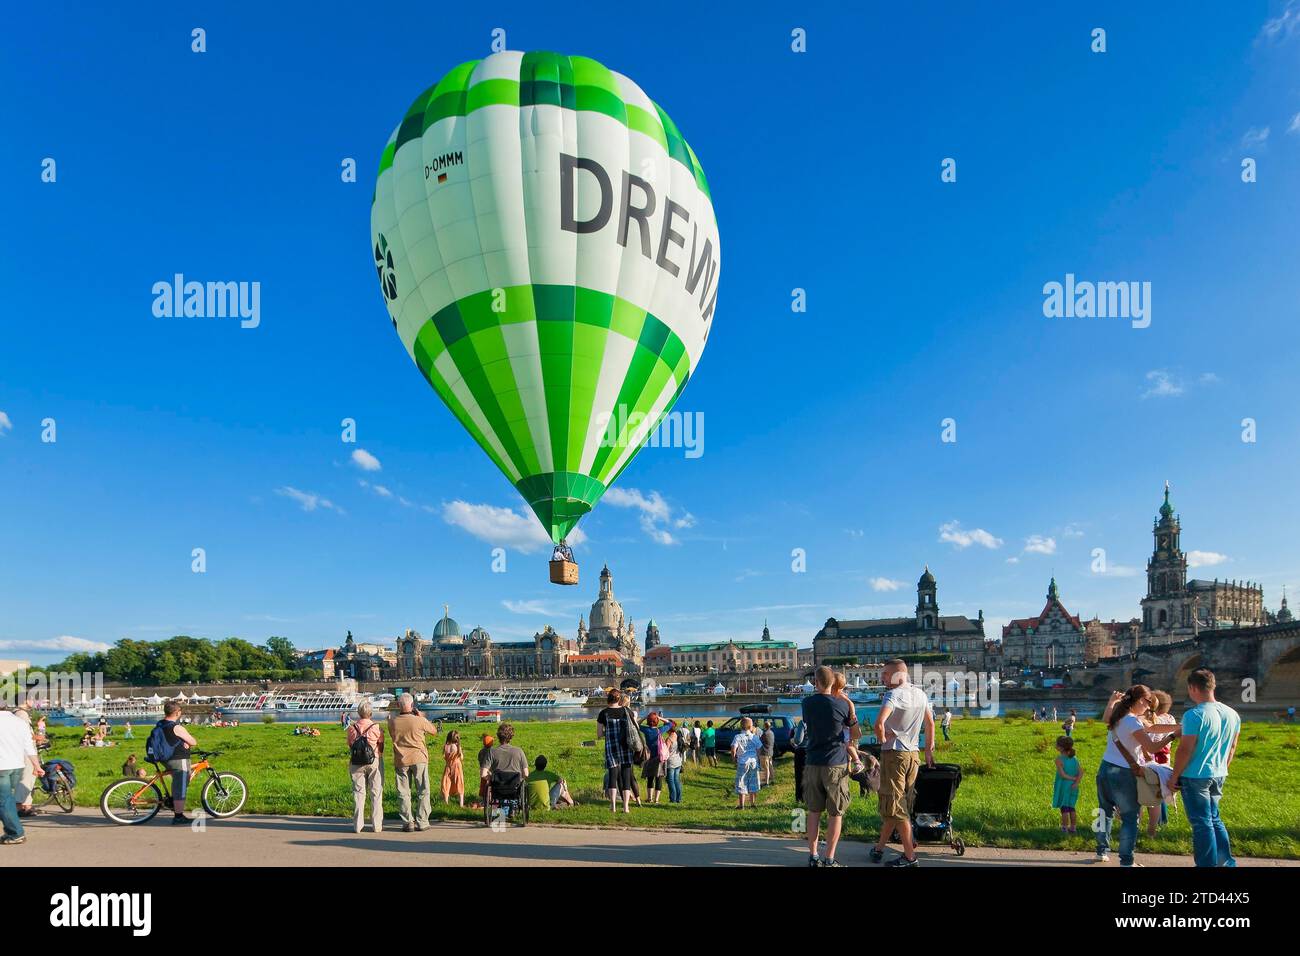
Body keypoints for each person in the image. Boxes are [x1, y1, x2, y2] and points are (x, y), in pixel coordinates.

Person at [1171, 668, 1241, 868]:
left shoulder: (1194, 715)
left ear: (1192, 688)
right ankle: (1225, 862)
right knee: (1214, 819)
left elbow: (1185, 749)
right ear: (1213, 686)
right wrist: (1223, 767)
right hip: (1219, 773)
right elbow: (1233, 747)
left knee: (1202, 823)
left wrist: (1174, 776)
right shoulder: (1233, 714)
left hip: (1195, 775)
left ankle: (1206, 865)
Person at [870, 659, 935, 868]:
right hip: (913, 754)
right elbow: (930, 723)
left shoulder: (893, 695)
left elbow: (879, 723)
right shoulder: (920, 694)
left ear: (898, 675)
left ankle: (909, 857)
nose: (882, 678)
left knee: (896, 806)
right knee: (898, 802)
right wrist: (929, 750)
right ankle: (879, 848)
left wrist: (881, 738)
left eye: (886, 674)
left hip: (895, 755)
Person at [1094, 684, 1157, 866]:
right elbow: (1152, 747)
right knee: (1130, 817)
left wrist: (1112, 701)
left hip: (1105, 768)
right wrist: (1173, 736)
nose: (1149, 706)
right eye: (1148, 701)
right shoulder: (1132, 721)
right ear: (1139, 700)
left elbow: (1106, 719)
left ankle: (1101, 851)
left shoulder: (1118, 716)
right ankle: (1127, 861)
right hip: (1123, 773)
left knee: (1104, 811)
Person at [802, 667, 859, 866]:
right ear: (833, 683)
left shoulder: (806, 703)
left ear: (816, 683)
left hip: (812, 762)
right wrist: (850, 706)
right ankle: (829, 858)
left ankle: (813, 855)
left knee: (813, 812)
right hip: (835, 762)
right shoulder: (843, 706)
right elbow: (855, 735)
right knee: (836, 813)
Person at [386, 693, 439, 832]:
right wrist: (421, 716)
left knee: (403, 792)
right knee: (423, 790)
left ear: (398, 706)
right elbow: (434, 731)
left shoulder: (392, 722)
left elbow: (392, 735)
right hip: (419, 758)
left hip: (401, 760)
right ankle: (422, 821)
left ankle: (408, 821)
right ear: (412, 705)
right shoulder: (419, 720)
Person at [0, 704, 44, 845]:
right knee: (6, 799)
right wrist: (37, 766)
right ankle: (12, 830)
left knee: (4, 800)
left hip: (2, 767)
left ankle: (16, 833)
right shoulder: (19, 722)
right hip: (17, 766)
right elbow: (29, 746)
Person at [153, 701, 199, 825]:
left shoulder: (160, 724)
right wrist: (187, 742)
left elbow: (169, 740)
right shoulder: (177, 727)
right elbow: (193, 741)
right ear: (177, 712)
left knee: (177, 782)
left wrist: (181, 742)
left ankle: (173, 802)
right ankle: (178, 816)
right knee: (181, 786)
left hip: (165, 759)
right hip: (178, 759)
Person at [1142, 690, 1178, 838]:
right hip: (1165, 758)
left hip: (1151, 759)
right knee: (1162, 789)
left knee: (1150, 791)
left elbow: (1149, 739)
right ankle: (1162, 820)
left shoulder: (1151, 720)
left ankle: (1150, 823)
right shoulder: (1171, 718)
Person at [347, 701, 385, 834]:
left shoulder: (352, 728)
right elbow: (381, 746)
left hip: (356, 763)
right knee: (376, 792)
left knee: (358, 793)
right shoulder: (376, 728)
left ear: (358, 712)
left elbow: (350, 745)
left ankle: (357, 825)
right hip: (373, 761)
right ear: (371, 713)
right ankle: (377, 825)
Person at [596, 689, 637, 813]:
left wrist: (608, 732)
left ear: (608, 698)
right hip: (626, 746)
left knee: (613, 777)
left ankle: (613, 806)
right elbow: (634, 728)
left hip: (611, 747)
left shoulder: (603, 713)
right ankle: (626, 807)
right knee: (626, 777)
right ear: (619, 699)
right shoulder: (627, 711)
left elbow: (599, 734)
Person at [482, 723, 528, 809]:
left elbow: (483, 774)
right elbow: (526, 774)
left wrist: (491, 778)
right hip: (514, 788)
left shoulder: (492, 752)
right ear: (511, 737)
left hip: (497, 788)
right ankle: (512, 808)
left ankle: (499, 811)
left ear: (498, 736)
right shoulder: (519, 751)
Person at [11, 699, 37, 818]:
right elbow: (24, 734)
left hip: (23, 750)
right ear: (25, 700)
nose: (34, 701)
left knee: (29, 777)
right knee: (26, 777)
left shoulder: (18, 713)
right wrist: (38, 737)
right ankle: (19, 806)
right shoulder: (21, 714)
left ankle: (27, 805)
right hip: (26, 751)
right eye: (32, 699)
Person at [731, 717, 763, 809]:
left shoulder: (737, 737)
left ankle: (742, 805)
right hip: (753, 761)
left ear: (741, 726)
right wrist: (757, 759)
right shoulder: (755, 737)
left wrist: (734, 760)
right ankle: (753, 804)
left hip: (742, 762)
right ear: (750, 726)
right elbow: (759, 749)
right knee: (753, 782)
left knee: (742, 782)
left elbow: (733, 750)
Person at [1052, 736, 1081, 833]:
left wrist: (1072, 779)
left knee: (1064, 808)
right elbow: (1081, 772)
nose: (1055, 745)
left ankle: (1064, 828)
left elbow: (1062, 775)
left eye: (1056, 744)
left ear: (1061, 748)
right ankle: (1073, 828)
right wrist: (1076, 782)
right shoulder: (1075, 759)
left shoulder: (1059, 759)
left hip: (1064, 785)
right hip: (1074, 786)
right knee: (1071, 807)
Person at [641, 713, 668, 804]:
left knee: (650, 778)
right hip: (659, 757)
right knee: (659, 778)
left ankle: (649, 798)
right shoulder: (659, 730)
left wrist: (644, 717)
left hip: (649, 757)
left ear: (648, 721)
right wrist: (660, 717)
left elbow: (635, 724)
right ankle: (656, 800)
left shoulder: (646, 730)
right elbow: (670, 723)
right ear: (657, 721)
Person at [441, 730, 465, 806]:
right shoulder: (457, 747)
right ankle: (461, 804)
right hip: (457, 766)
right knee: (459, 782)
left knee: (446, 783)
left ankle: (446, 802)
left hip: (448, 766)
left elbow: (444, 757)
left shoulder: (446, 746)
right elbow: (461, 757)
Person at [790, 717, 809, 804]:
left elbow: (798, 740)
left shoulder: (804, 722)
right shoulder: (820, 719)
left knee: (800, 776)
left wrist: (792, 740)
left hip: (802, 751)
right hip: (815, 751)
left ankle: (800, 798)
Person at [664, 729, 684, 804]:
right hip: (678, 761)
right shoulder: (677, 735)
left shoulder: (669, 739)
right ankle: (679, 798)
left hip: (671, 762)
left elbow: (665, 751)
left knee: (671, 781)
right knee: (676, 780)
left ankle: (673, 798)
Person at [474, 734, 494, 809]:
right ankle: (490, 800)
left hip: (483, 770)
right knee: (490, 786)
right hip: (490, 771)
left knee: (483, 786)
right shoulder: (492, 751)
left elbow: (479, 759)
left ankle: (484, 799)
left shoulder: (481, 751)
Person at [759, 720, 776, 786]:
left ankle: (767, 783)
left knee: (766, 768)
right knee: (770, 766)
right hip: (770, 752)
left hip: (765, 752)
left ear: (765, 726)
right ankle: (772, 779)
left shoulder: (765, 734)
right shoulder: (772, 732)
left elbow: (759, 741)